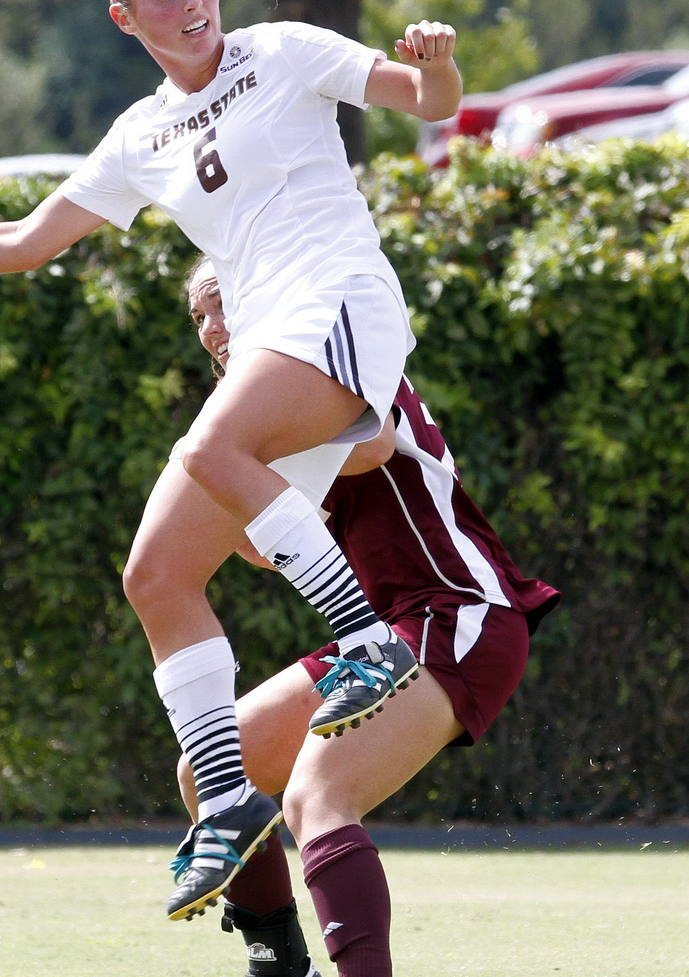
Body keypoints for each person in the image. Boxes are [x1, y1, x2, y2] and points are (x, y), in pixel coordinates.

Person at [0, 0, 464, 920]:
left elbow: (428, 101)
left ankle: (367, 638)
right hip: (272, 340)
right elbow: (24, 238)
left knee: (213, 444)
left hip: (344, 309)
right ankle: (228, 799)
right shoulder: (140, 133)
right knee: (156, 572)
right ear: (122, 17)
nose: (191, 3)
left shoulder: (287, 52)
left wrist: (439, 64)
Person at [179, 257, 560, 977]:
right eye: (198, 316)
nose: (211, 328)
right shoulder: (269, 406)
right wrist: (224, 480)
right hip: (386, 633)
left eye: (222, 303)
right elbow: (268, 549)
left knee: (317, 796)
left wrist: (240, 454)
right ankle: (281, 965)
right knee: (212, 770)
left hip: (460, 611)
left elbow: (375, 443)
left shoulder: (333, 352)